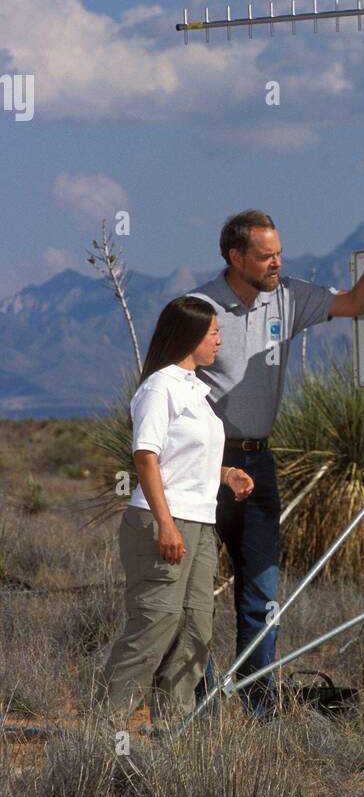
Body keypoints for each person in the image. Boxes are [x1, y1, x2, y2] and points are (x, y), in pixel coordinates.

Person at [191, 210, 364, 718]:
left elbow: (353, 303)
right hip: (204, 467)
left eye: (279, 251)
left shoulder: (289, 296)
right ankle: (200, 707)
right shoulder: (197, 309)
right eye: (266, 255)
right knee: (192, 599)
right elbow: (166, 383)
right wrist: (207, 467)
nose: (278, 261)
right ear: (236, 258)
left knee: (260, 593)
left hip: (259, 468)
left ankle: (257, 707)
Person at [103, 296, 253, 730]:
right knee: (155, 626)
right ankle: (103, 729)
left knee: (194, 630)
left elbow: (182, 457)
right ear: (189, 337)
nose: (219, 342)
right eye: (213, 334)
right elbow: (146, 458)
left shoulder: (196, 391)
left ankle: (175, 731)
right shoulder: (159, 387)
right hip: (161, 522)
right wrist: (166, 523)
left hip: (201, 524)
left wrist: (225, 474)